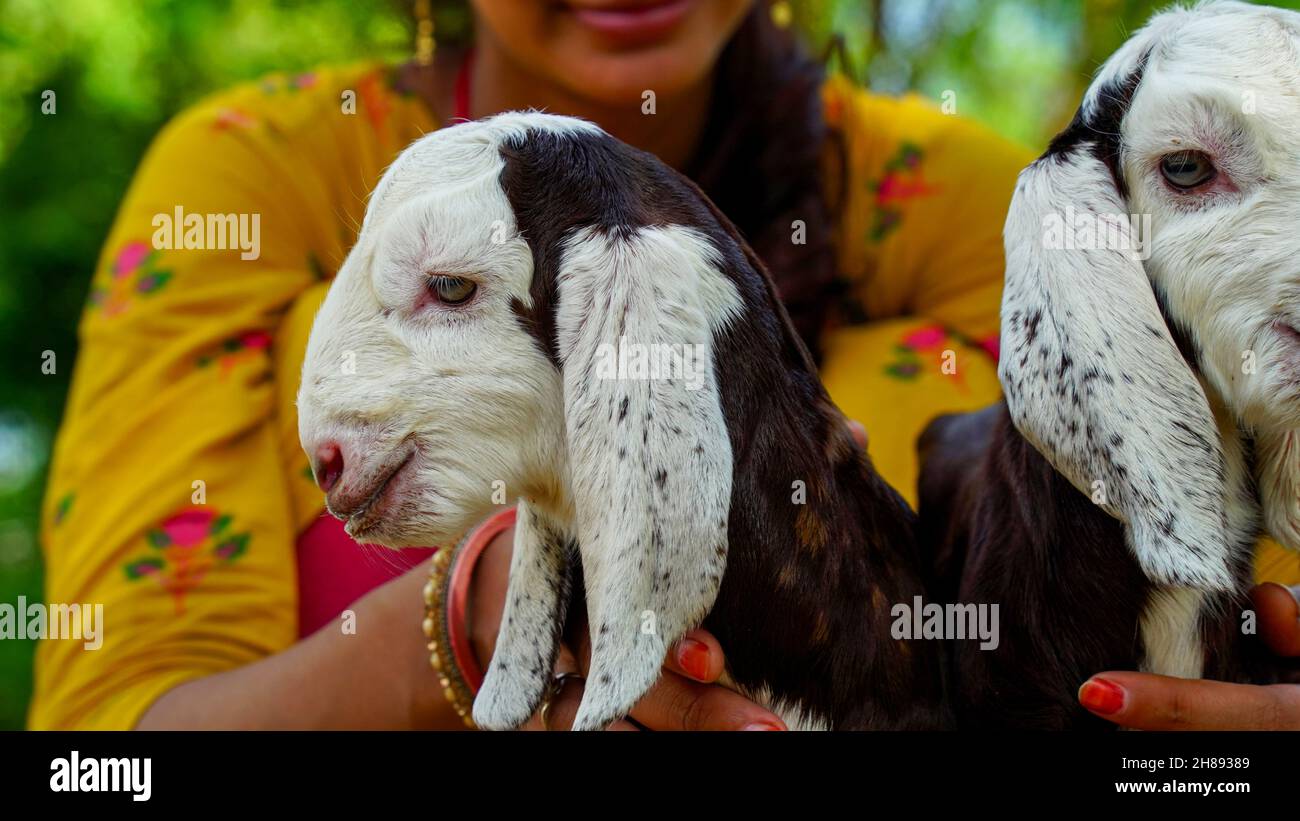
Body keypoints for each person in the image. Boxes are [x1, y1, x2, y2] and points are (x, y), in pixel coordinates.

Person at [31, 0, 1299, 730]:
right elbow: (110, 744)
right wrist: (459, 628)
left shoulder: (969, 193)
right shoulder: (253, 173)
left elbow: (1226, 576)